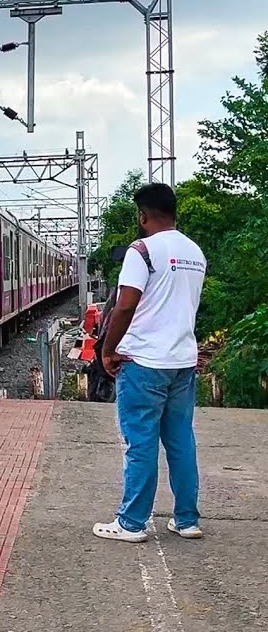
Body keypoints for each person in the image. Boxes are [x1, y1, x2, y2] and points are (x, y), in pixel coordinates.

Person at [93, 182, 207, 543]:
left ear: (142, 216)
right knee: (180, 441)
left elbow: (125, 305)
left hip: (143, 361)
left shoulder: (141, 250)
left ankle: (131, 523)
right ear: (174, 212)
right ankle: (187, 520)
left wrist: (107, 350)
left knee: (140, 442)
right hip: (182, 361)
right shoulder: (195, 252)